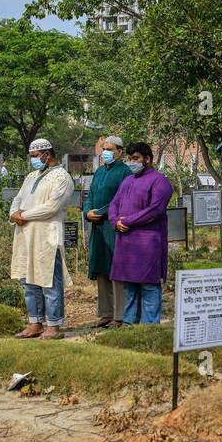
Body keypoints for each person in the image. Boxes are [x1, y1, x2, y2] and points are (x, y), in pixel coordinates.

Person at [9, 138, 74, 339]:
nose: (34, 160)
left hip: (47, 235)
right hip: (25, 235)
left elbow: (52, 207)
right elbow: (18, 199)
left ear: (47, 154)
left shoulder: (62, 178)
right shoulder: (31, 176)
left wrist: (23, 215)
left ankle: (54, 325)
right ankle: (34, 322)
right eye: (32, 157)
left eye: (36, 156)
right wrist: (13, 214)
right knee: (28, 280)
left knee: (49, 281)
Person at [108, 142, 173, 325]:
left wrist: (127, 221)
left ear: (148, 159)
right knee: (129, 287)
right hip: (126, 243)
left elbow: (155, 210)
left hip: (147, 244)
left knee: (149, 286)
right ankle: (129, 326)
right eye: (130, 158)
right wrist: (115, 221)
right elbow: (114, 204)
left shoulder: (160, 181)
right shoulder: (127, 180)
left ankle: (150, 329)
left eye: (135, 158)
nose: (132, 162)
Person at [82, 135, 129, 328]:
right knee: (101, 269)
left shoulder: (125, 172)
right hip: (97, 228)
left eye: (110, 149)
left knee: (115, 269)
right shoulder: (99, 171)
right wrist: (87, 212)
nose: (105, 153)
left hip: (113, 226)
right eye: (104, 149)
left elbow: (122, 199)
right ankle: (105, 313)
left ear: (120, 152)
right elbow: (90, 196)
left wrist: (100, 213)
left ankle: (120, 315)